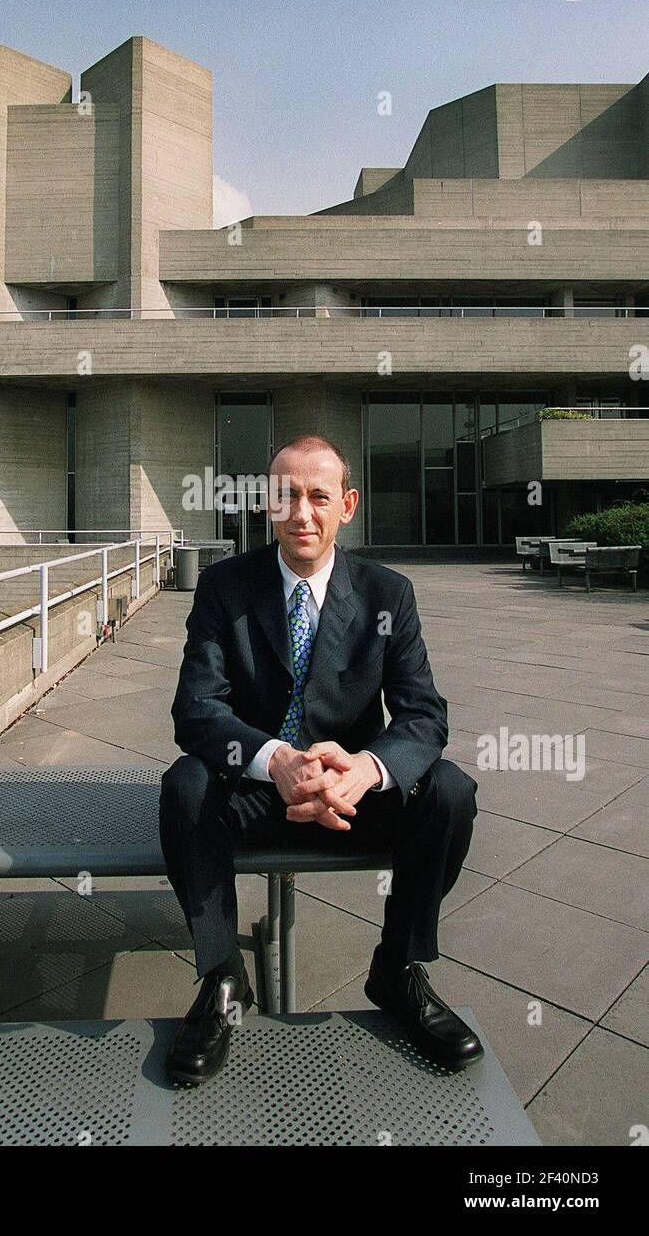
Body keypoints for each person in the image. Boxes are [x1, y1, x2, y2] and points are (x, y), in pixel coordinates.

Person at [160, 433, 482, 1086]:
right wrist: (274, 758)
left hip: (349, 799)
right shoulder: (226, 587)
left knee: (449, 790)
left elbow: (424, 715)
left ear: (348, 506)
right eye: (287, 496)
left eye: (318, 496)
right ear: (267, 505)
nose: (302, 513)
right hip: (256, 792)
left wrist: (367, 768)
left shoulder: (387, 594)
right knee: (185, 788)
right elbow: (195, 709)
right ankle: (222, 980)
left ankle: (397, 970)